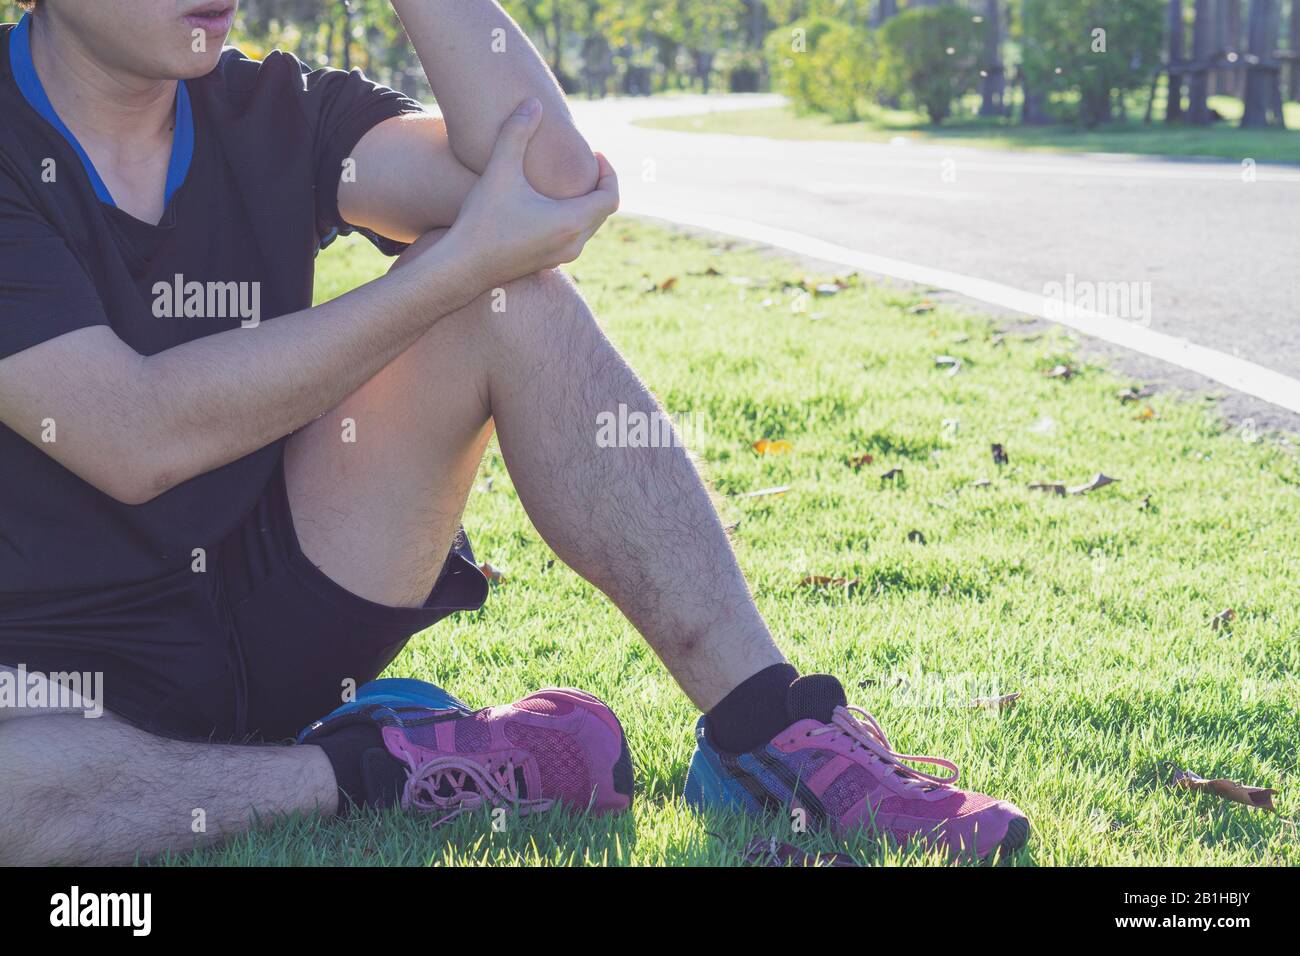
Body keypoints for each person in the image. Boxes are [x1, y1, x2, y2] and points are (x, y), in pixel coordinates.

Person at [0, 0, 1028, 865]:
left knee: (511, 296)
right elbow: (128, 435)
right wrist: (450, 264)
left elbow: (547, 182)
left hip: (277, 602)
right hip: (47, 681)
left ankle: (767, 729)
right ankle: (380, 768)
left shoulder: (273, 106)